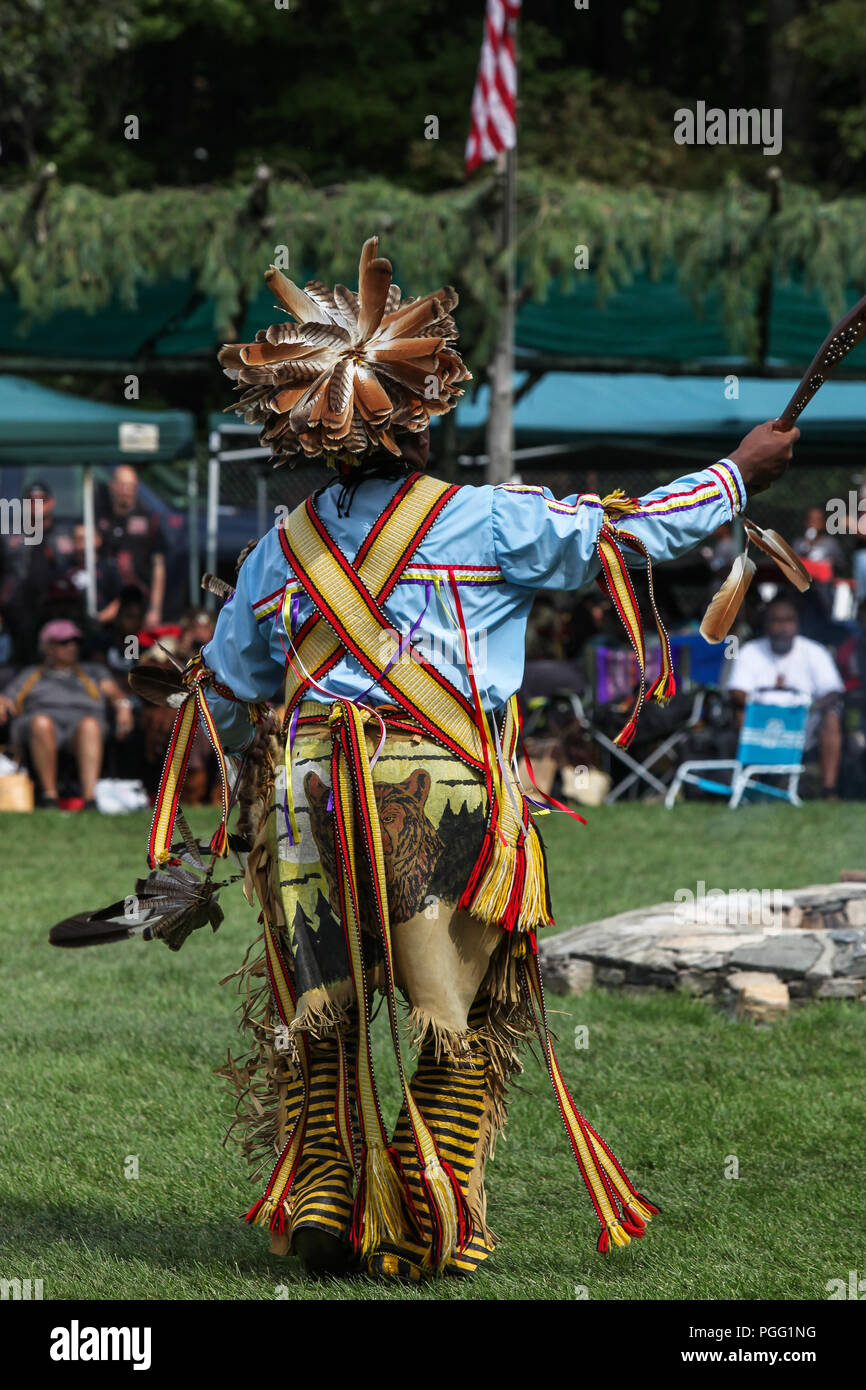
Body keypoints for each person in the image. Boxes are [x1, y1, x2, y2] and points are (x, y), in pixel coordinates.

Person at [133, 238, 798, 1282]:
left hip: (306, 800)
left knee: (324, 1007)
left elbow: (230, 687)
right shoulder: (484, 520)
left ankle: (322, 1194)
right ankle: (433, 1205)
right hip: (438, 793)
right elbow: (626, 534)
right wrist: (736, 472)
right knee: (461, 1010)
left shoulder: (278, 552)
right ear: (419, 408)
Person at [0, 619, 134, 807]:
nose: (71, 647)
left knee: (90, 725)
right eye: (64, 642)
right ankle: (49, 798)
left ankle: (90, 800)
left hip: (82, 725)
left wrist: (123, 705)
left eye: (75, 642)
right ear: (47, 647)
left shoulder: (93, 671)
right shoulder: (31, 674)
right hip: (39, 725)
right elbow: (8, 699)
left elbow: (114, 692)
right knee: (42, 723)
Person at [727, 596, 844, 796]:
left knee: (831, 718)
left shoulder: (814, 651)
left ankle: (828, 790)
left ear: (796, 624)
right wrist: (764, 710)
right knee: (741, 715)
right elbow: (737, 691)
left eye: (788, 621)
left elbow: (833, 690)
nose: (783, 627)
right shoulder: (750, 651)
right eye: (776, 621)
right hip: (761, 722)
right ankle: (752, 788)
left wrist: (813, 707)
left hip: (804, 720)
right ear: (766, 625)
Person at [95, 466, 167, 627]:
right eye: (122, 485)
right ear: (112, 486)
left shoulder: (149, 520)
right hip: (106, 600)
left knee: (134, 647)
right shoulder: (99, 517)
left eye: (131, 486)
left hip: (137, 602)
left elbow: (158, 567)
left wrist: (155, 609)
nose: (127, 491)